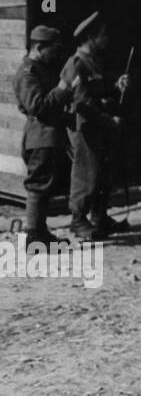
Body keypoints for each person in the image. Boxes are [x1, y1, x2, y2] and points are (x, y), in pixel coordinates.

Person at [61, 12, 130, 240]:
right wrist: (110, 120)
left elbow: (99, 91)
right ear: (91, 38)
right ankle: (78, 220)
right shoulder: (76, 65)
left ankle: (99, 217)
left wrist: (116, 85)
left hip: (100, 128)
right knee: (86, 175)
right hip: (85, 129)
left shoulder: (95, 62)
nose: (107, 38)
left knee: (103, 173)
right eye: (103, 35)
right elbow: (82, 104)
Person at [12, 25, 75, 246]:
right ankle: (33, 236)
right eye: (53, 49)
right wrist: (62, 89)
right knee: (38, 184)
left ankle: (40, 231)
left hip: (49, 136)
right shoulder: (28, 73)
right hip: (39, 137)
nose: (56, 54)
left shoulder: (41, 69)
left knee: (45, 184)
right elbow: (38, 106)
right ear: (39, 47)